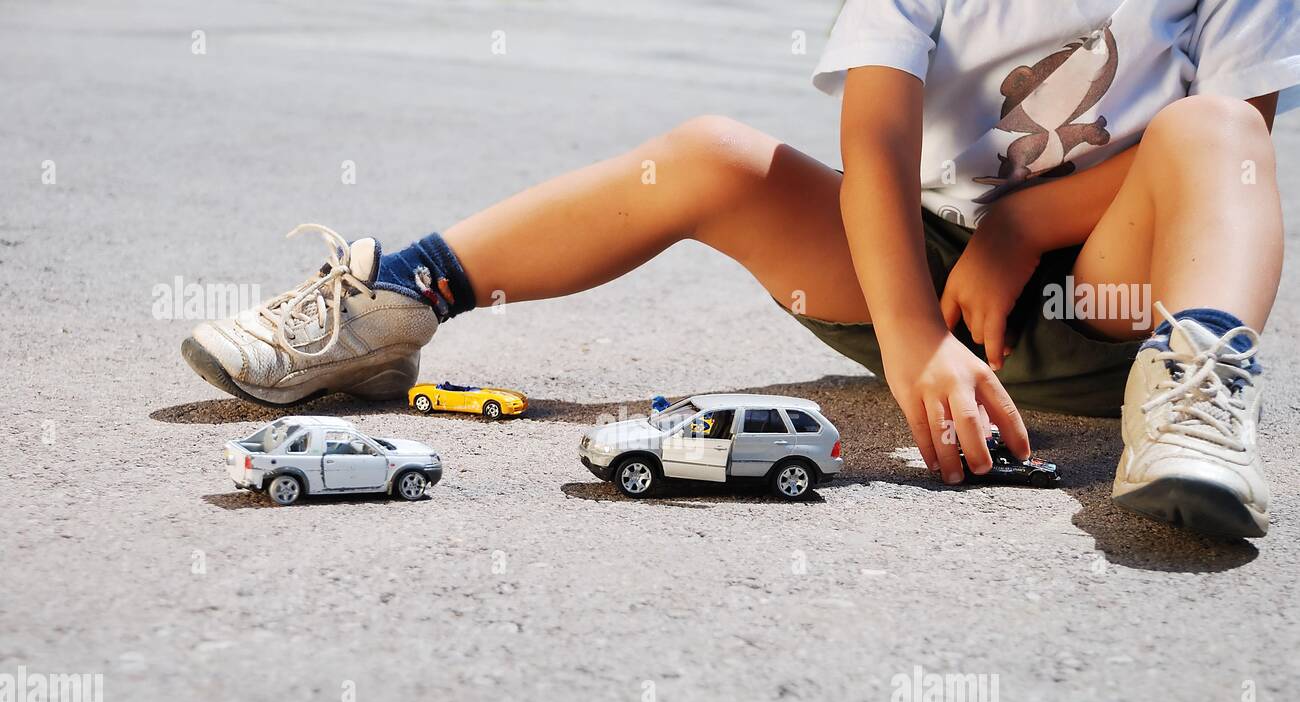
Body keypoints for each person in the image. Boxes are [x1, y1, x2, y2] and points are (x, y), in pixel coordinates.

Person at [182, 0, 1300, 538]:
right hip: (917, 278)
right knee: (711, 156)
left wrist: (1019, 233)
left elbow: (1226, 135)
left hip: (1125, 290)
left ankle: (1195, 401)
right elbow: (873, 145)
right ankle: (400, 295)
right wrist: (908, 338)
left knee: (1209, 133)